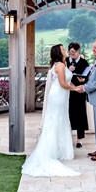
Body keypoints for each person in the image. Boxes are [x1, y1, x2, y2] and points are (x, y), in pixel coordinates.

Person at [22, 44, 79, 177]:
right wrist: (76, 89)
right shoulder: (59, 65)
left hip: (61, 96)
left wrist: (76, 86)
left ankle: (59, 150)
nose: (65, 50)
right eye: (63, 49)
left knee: (61, 120)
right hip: (58, 96)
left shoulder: (59, 64)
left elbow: (66, 82)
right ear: (59, 52)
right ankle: (52, 151)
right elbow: (63, 84)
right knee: (56, 121)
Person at [66, 42, 90, 148]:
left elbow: (88, 75)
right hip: (68, 91)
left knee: (80, 114)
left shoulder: (84, 62)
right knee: (68, 113)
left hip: (80, 91)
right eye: (70, 52)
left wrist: (84, 80)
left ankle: (79, 139)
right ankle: (67, 136)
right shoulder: (66, 61)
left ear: (78, 51)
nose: (72, 54)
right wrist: (68, 70)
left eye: (74, 52)